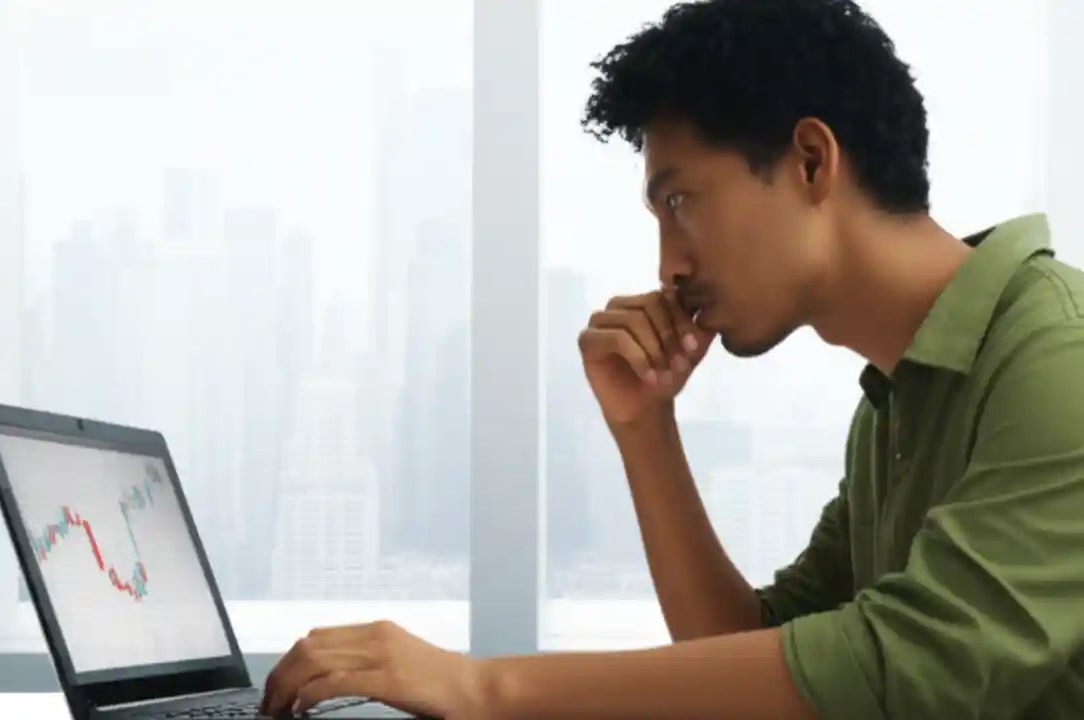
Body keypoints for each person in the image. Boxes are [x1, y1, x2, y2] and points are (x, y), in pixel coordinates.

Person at [261, 0, 1084, 717]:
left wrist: (485, 691)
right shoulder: (894, 405)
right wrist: (645, 428)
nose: (668, 266)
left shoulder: (1057, 354)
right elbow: (758, 660)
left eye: (680, 201)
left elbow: (910, 669)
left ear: (810, 161)